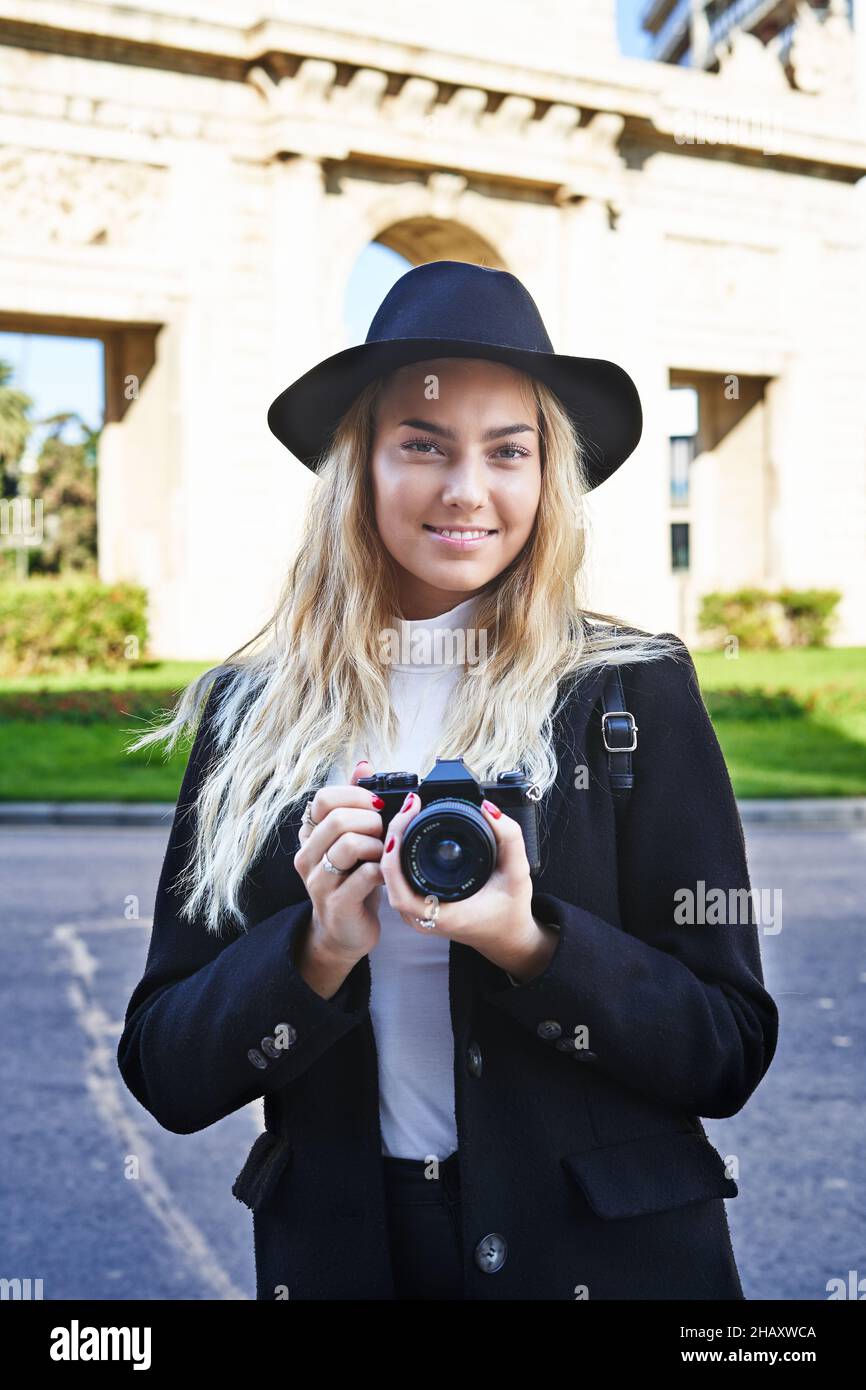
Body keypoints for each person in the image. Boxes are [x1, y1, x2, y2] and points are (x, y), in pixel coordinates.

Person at [117, 260, 778, 1301]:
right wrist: (317, 949)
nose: (465, 489)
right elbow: (167, 1070)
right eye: (421, 445)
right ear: (360, 467)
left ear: (544, 475)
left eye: (506, 451)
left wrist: (527, 941)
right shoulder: (254, 716)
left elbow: (725, 1051)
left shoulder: (629, 693)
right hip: (349, 1254)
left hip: (601, 1264)